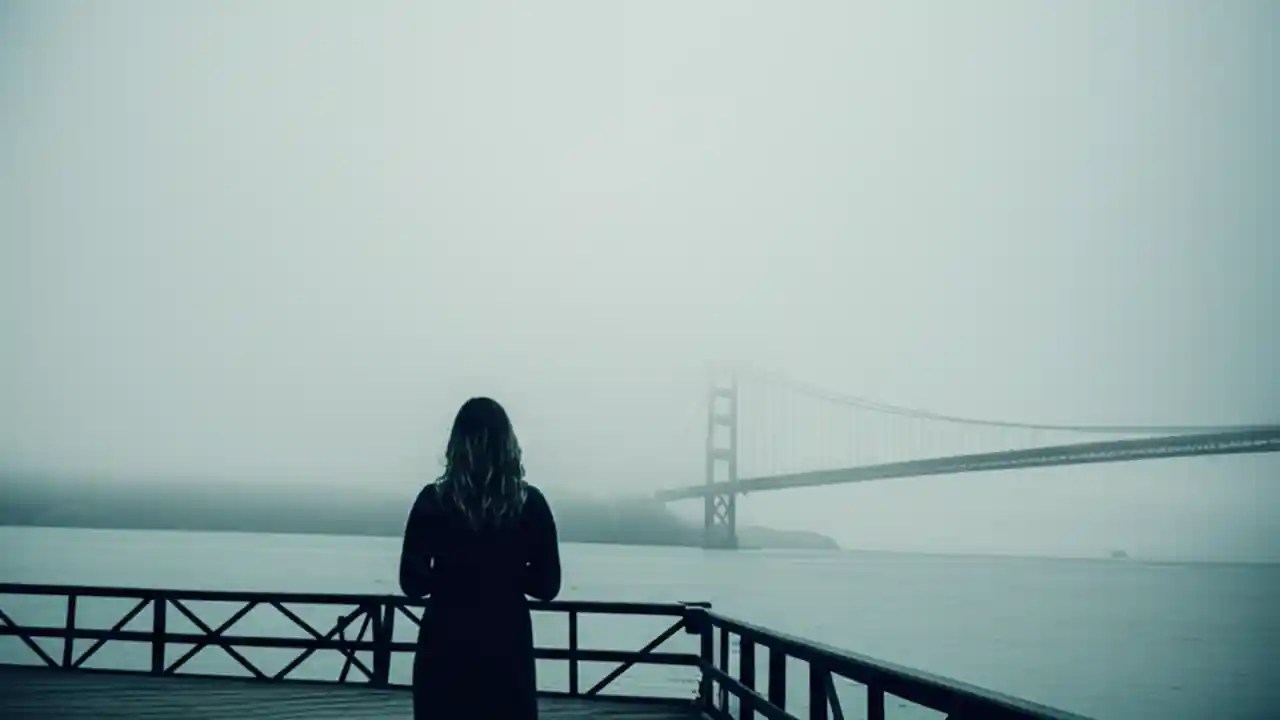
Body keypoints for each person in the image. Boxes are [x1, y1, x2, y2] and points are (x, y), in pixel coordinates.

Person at [399, 397, 561, 720]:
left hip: (444, 646)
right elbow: (548, 585)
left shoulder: (433, 501)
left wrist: (453, 573)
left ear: (456, 445)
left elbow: (412, 583)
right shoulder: (531, 505)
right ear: (509, 445)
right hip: (506, 646)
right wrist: (506, 573)